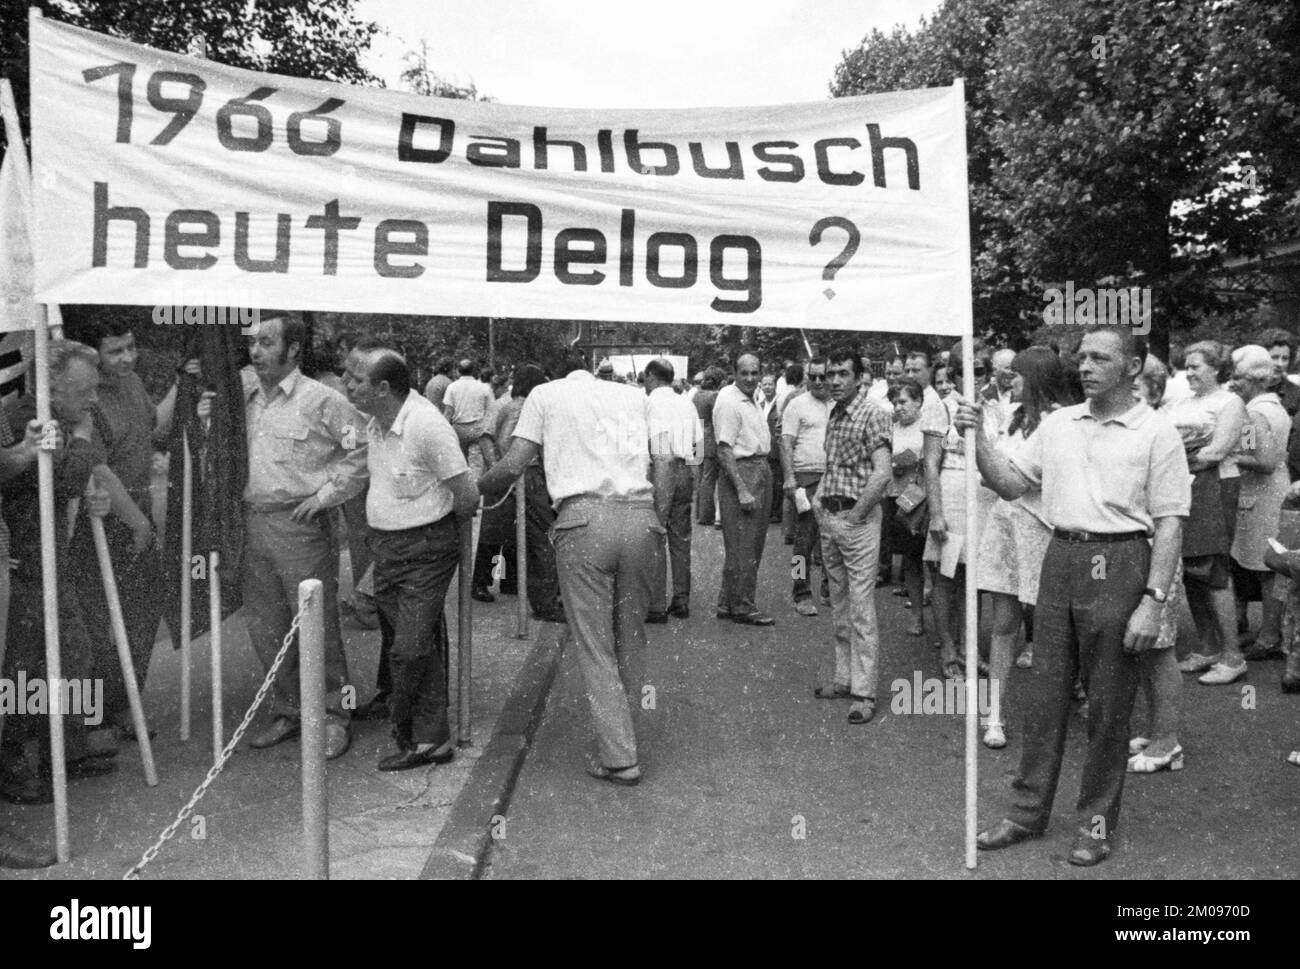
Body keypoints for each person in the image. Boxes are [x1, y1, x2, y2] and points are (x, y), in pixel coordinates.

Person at [959, 324, 1189, 867]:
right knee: (1045, 698)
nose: (1084, 366)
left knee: (1109, 707)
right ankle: (1025, 812)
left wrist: (1154, 601)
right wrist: (978, 441)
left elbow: (1171, 523)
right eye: (1081, 357)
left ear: (1133, 367)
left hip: (1122, 560)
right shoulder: (1059, 423)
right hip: (1059, 556)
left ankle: (1095, 822)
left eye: (1100, 358)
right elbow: (1012, 484)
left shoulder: (1157, 433)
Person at [479, 351, 665, 786]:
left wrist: (474, 489)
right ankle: (626, 736)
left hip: (583, 520)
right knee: (630, 635)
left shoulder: (544, 395)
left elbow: (513, 463)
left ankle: (620, 757)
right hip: (640, 516)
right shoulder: (634, 395)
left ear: (555, 373)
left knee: (595, 644)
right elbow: (665, 460)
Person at [240, 313, 367, 760]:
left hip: (300, 525)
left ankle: (333, 714)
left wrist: (328, 495)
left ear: (293, 350)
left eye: (267, 343)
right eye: (253, 342)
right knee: (267, 626)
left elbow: (361, 447)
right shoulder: (245, 394)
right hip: (252, 522)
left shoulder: (321, 400)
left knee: (315, 623)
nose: (256, 351)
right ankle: (289, 709)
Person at [343, 346, 477, 771]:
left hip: (425, 549)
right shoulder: (375, 422)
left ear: (382, 388)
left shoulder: (426, 426)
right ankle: (422, 728)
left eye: (354, 379)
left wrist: (435, 539)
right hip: (386, 547)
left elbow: (467, 493)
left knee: (411, 646)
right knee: (407, 642)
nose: (346, 384)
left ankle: (427, 739)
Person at [1, 341, 119, 804]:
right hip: (25, 566)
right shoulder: (20, 422)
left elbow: (76, 478)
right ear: (50, 387)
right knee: (21, 671)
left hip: (54, 562)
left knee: (74, 653)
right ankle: (12, 764)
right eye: (84, 390)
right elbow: (61, 478)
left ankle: (64, 751)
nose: (92, 399)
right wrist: (85, 442)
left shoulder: (70, 420)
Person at [974, 347, 1077, 749]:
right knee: (1004, 623)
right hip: (1007, 522)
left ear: (1034, 377)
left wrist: (1004, 473)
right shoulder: (1015, 419)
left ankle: (1057, 709)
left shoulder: (1062, 422)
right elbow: (998, 473)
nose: (1009, 381)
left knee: (1054, 627)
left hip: (1043, 527)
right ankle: (994, 714)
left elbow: (1026, 478)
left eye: (1016, 376)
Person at [811, 344, 893, 724]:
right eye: (831, 374)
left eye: (843, 373)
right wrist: (817, 502)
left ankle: (864, 691)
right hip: (831, 517)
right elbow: (835, 465)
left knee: (861, 608)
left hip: (856, 522)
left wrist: (855, 517)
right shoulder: (836, 414)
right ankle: (844, 678)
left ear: (860, 377)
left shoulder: (873, 414)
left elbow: (882, 473)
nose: (835, 381)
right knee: (839, 602)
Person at [1167, 342, 1247, 681]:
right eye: (1187, 365)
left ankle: (1233, 656)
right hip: (1182, 486)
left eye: (1196, 365)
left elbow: (1216, 451)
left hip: (1215, 486)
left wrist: (1175, 456)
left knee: (1213, 569)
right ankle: (1208, 646)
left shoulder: (1231, 402)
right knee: (1190, 573)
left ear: (1217, 368)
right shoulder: (1182, 402)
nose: (1190, 371)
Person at [1125, 358, 1188, 774]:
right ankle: (1156, 728)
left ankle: (1169, 741)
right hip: (1131, 546)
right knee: (1144, 651)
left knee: (1161, 650)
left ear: (1153, 390)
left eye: (1135, 391)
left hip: (1156, 547)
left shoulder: (1159, 432)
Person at [1218, 344, 1292, 683]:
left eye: (1239, 378)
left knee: (1265, 568)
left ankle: (1268, 638)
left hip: (1261, 496)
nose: (1235, 384)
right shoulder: (1274, 407)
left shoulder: (1255, 412)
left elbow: (1261, 460)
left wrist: (1230, 454)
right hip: (1274, 492)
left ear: (1254, 379)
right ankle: (1271, 634)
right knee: (1271, 567)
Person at [474, 364, 564, 621]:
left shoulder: (503, 402)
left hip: (505, 476)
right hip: (519, 475)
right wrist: (504, 470)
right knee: (516, 534)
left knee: (503, 534)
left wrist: (496, 469)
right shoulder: (521, 406)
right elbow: (495, 439)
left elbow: (486, 437)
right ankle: (494, 582)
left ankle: (501, 581)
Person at [713, 354, 776, 626]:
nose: (750, 378)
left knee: (745, 544)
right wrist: (741, 489)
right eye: (744, 373)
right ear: (734, 373)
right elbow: (724, 449)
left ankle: (729, 601)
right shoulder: (729, 401)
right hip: (744, 472)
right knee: (745, 546)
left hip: (758, 469)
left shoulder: (749, 398)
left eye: (754, 373)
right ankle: (743, 605)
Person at [644, 358, 700, 621]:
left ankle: (655, 603)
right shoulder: (685, 402)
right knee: (681, 538)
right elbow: (698, 445)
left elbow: (661, 452)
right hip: (686, 469)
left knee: (656, 533)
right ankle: (681, 598)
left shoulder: (651, 402)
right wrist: (693, 477)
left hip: (663, 469)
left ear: (651, 377)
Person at [780, 358, 833, 616]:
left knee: (832, 537)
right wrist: (789, 477)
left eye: (823, 376)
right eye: (813, 376)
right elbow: (786, 443)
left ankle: (829, 589)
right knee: (804, 538)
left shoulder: (838, 403)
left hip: (834, 476)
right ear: (806, 378)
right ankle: (800, 592)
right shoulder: (797, 405)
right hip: (805, 476)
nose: (819, 381)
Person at [884, 378, 931, 638]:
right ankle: (916, 616)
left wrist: (918, 460)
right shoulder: (892, 428)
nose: (898, 407)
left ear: (918, 401)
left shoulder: (931, 427)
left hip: (922, 498)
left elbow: (947, 451)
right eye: (894, 402)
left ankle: (945, 622)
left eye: (903, 401)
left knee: (933, 562)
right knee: (911, 560)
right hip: (898, 498)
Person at [444, 358, 494, 467]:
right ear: (474, 370)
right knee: (476, 461)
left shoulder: (452, 388)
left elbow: (448, 412)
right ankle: (475, 482)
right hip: (477, 428)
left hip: (459, 428)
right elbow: (490, 410)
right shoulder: (483, 387)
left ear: (458, 371)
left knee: (460, 461)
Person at [693, 367, 724, 526]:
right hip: (710, 440)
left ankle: (700, 513)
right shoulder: (714, 396)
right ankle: (707, 515)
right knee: (709, 480)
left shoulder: (696, 395)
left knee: (701, 478)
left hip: (697, 439)